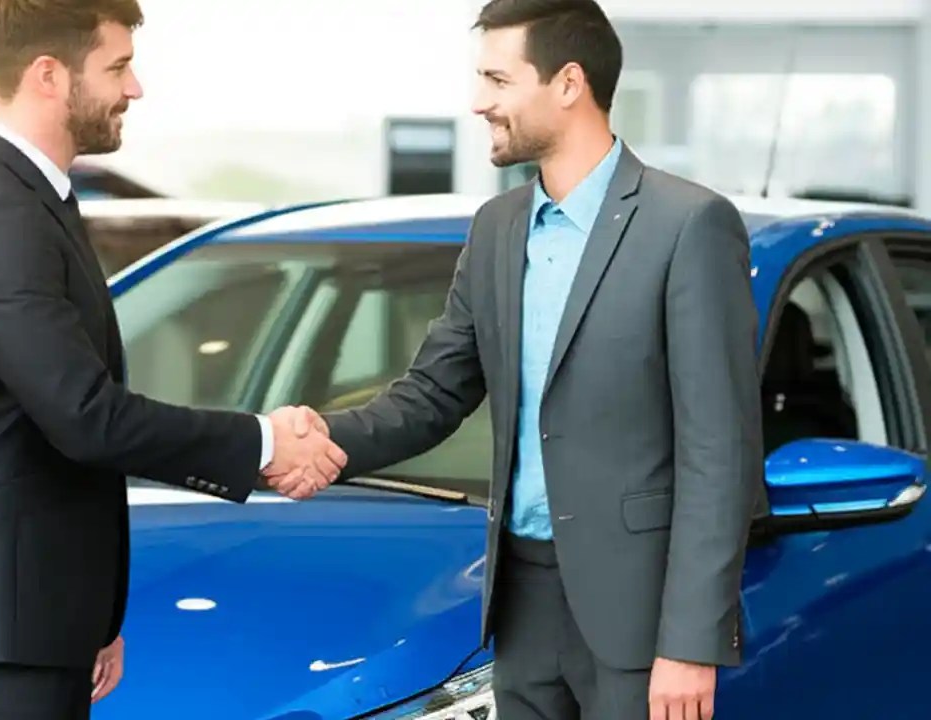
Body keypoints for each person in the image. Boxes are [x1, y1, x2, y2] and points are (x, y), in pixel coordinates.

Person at [274, 1, 763, 718]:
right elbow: (431, 395)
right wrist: (315, 440)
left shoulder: (688, 224)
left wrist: (690, 642)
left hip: (640, 620)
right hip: (522, 607)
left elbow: (719, 450)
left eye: (497, 80)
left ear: (568, 83)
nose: (479, 103)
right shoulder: (498, 227)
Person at [0, 1, 346, 718]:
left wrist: (92, 618)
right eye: (118, 66)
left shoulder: (32, 200)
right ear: (48, 75)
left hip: (34, 625)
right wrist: (264, 441)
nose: (134, 89)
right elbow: (87, 418)